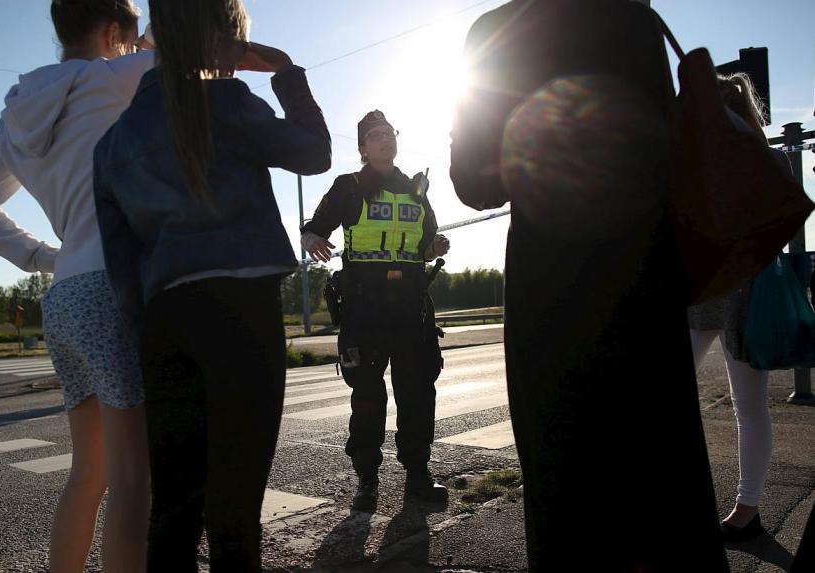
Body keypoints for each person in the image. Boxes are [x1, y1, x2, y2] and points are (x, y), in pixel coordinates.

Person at [450, 1, 729, 571]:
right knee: (661, 465)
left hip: (551, 282)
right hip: (642, 271)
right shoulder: (631, 15)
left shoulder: (497, 29)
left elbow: (475, 183)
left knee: (565, 475)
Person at [92, 0, 331, 570]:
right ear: (224, 42)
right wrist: (287, 73)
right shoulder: (228, 104)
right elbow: (315, 153)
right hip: (239, 311)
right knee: (234, 509)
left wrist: (148, 331)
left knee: (174, 507)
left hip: (165, 321)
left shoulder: (114, 142)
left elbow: (122, 267)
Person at [0, 2, 153, 571]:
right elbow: (194, 57)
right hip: (112, 289)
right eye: (128, 39)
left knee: (88, 473)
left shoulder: (18, 114)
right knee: (134, 482)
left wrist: (44, 256)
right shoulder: (113, 78)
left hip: (65, 297)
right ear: (114, 32)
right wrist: (148, 47)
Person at [301, 110, 451, 511]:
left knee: (417, 391)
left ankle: (418, 475)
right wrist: (312, 235)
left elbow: (425, 239)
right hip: (365, 307)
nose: (385, 139)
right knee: (367, 395)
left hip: (411, 307)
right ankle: (367, 480)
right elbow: (315, 226)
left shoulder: (416, 188)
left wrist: (434, 245)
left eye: (390, 133)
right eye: (375, 135)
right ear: (364, 148)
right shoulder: (347, 187)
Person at [688, 72, 786, 543]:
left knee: (748, 408)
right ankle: (746, 509)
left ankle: (747, 510)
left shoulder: (764, 162)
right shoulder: (700, 165)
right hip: (710, 296)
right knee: (749, 408)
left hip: (738, 297)